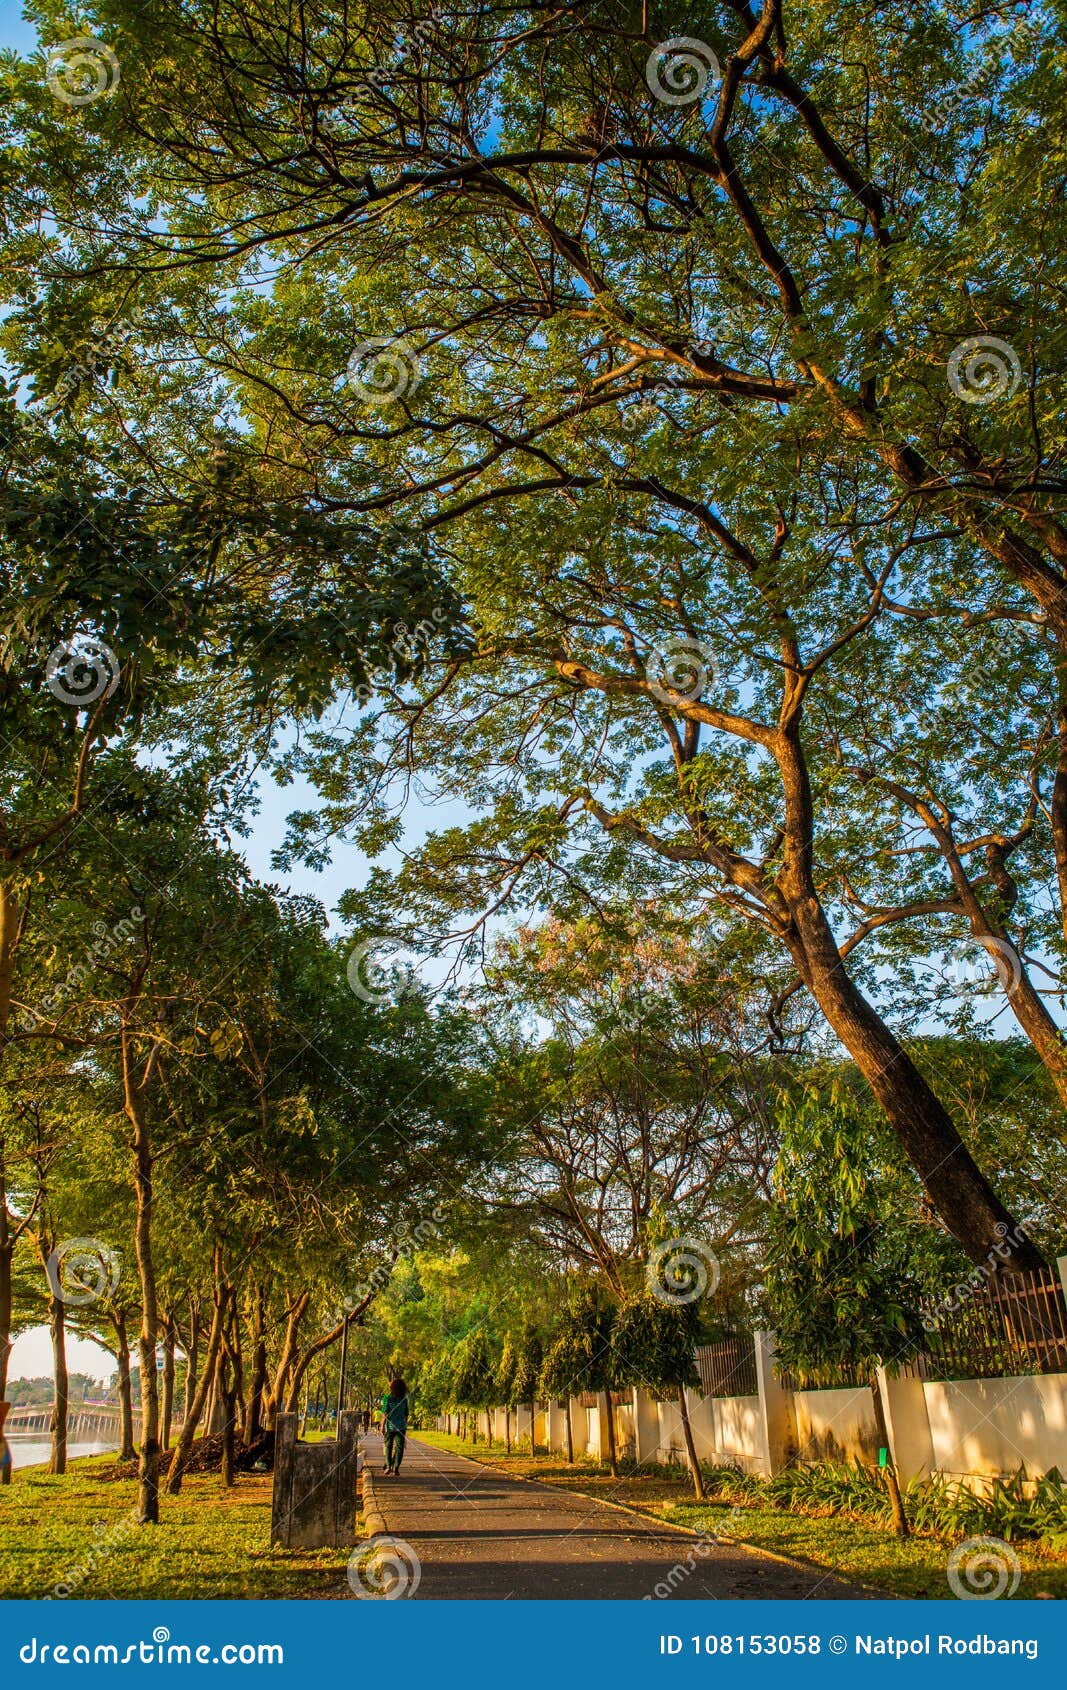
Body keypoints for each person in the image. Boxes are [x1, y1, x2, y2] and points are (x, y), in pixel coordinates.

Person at [380, 1375, 409, 1475]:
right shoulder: (404, 1399)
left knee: (388, 1446)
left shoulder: (387, 1398)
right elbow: (406, 1415)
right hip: (401, 1427)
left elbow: (385, 1413)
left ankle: (388, 1466)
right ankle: (396, 1467)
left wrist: (382, 1426)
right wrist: (405, 1426)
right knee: (400, 1448)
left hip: (390, 1427)